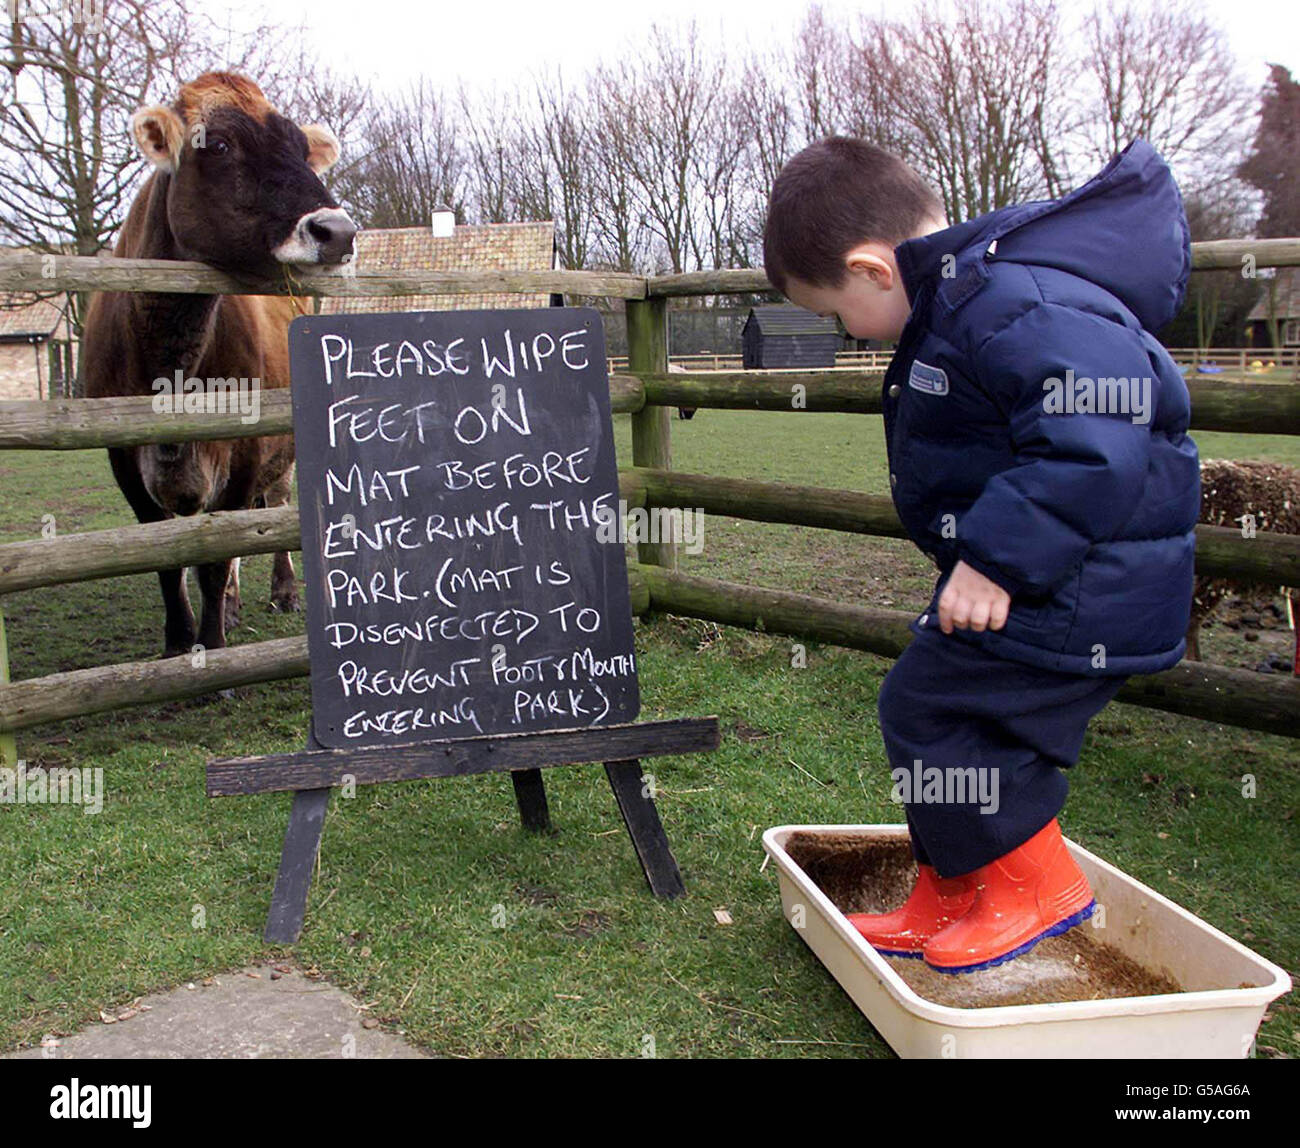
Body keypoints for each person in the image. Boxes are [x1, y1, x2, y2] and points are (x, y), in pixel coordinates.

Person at [762, 137, 1200, 974]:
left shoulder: (1013, 301)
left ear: (873, 270)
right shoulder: (971, 300)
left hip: (1079, 592)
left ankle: (1037, 888)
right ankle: (953, 892)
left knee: (943, 718)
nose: (845, 333)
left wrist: (994, 560)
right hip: (1051, 580)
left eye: (833, 313)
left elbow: (1098, 440)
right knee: (923, 710)